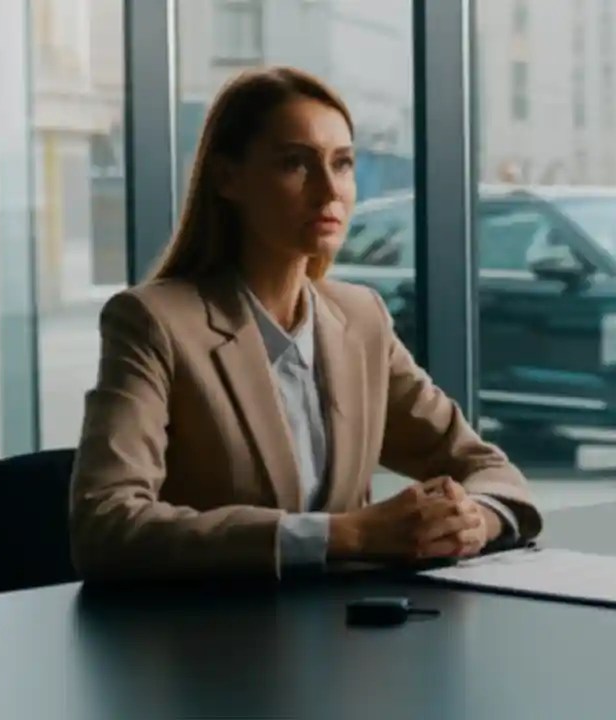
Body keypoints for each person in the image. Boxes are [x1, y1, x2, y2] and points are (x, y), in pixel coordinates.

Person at [69, 66, 542, 581]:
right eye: (296, 164)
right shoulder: (155, 323)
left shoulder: (361, 318)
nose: (328, 191)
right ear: (228, 178)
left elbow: (489, 469)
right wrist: (349, 534)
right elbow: (106, 524)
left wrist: (476, 519)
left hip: (349, 640)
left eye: (342, 164)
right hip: (209, 642)